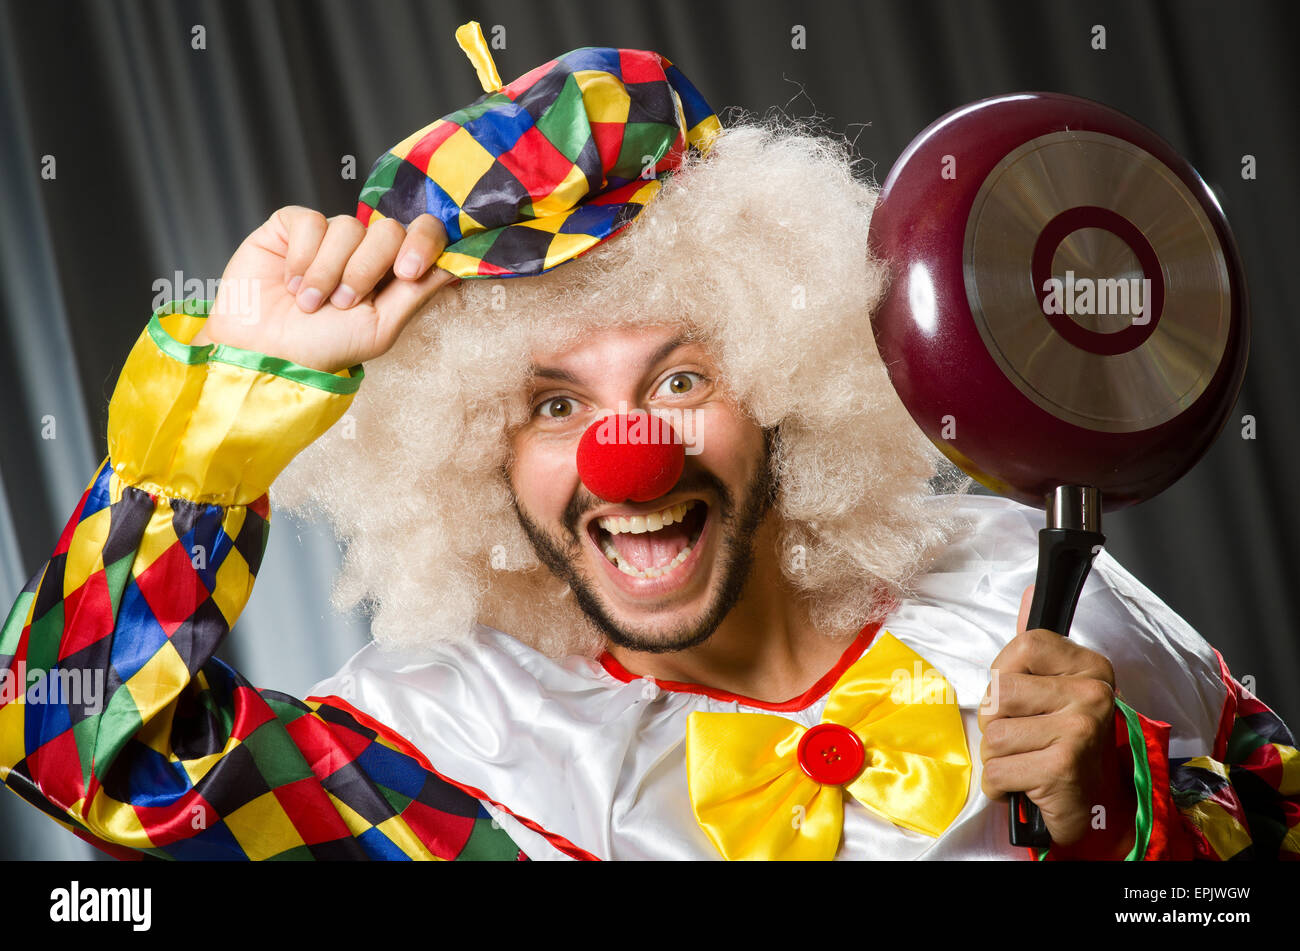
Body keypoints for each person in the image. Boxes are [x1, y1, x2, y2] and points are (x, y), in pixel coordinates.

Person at [1, 23, 1294, 862]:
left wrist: (1132, 821)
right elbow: (82, 745)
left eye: (682, 374)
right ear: (474, 463)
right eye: (550, 405)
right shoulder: (453, 757)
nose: (629, 450)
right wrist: (229, 396)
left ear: (789, 378)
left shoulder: (1025, 582)